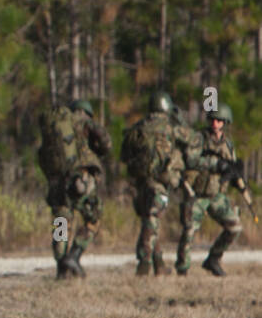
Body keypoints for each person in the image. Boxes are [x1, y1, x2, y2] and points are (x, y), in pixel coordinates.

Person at [120, 91, 220, 276]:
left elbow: (124, 155)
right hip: (161, 181)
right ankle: (144, 262)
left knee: (150, 220)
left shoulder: (137, 128)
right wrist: (180, 120)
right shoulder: (171, 127)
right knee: (153, 220)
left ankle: (159, 264)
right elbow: (196, 139)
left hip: (140, 183)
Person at [37, 98, 111, 279]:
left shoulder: (56, 127)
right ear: (86, 112)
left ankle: (61, 266)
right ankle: (74, 255)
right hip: (79, 179)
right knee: (93, 218)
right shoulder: (85, 121)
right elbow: (106, 143)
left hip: (57, 183)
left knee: (61, 222)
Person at [175, 105, 246, 277]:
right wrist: (215, 164)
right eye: (213, 120)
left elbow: (231, 166)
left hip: (216, 195)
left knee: (234, 227)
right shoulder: (199, 139)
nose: (215, 123)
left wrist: (236, 180)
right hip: (197, 194)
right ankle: (182, 269)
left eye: (219, 120)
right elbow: (191, 160)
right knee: (189, 230)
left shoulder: (227, 144)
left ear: (225, 122)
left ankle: (213, 259)